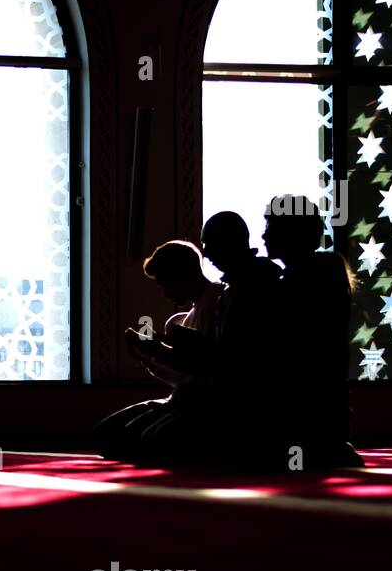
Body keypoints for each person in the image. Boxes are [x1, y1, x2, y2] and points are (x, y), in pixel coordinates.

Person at [136, 211, 285, 467]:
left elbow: (229, 362)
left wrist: (161, 351)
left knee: (154, 441)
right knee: (137, 438)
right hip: (216, 398)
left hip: (237, 405)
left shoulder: (241, 290)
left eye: (210, 245)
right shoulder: (232, 289)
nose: (207, 254)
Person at [92, 240, 222, 460]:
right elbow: (184, 378)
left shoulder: (215, 301)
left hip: (199, 404)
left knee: (143, 441)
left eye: (165, 283)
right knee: (104, 435)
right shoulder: (186, 317)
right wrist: (149, 359)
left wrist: (157, 351)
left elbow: (205, 372)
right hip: (179, 400)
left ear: (181, 274)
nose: (164, 293)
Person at [263, 195, 362, 467]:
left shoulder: (308, 277)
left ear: (290, 233)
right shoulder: (324, 271)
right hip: (324, 410)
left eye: (270, 228)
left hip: (307, 409)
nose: (263, 236)